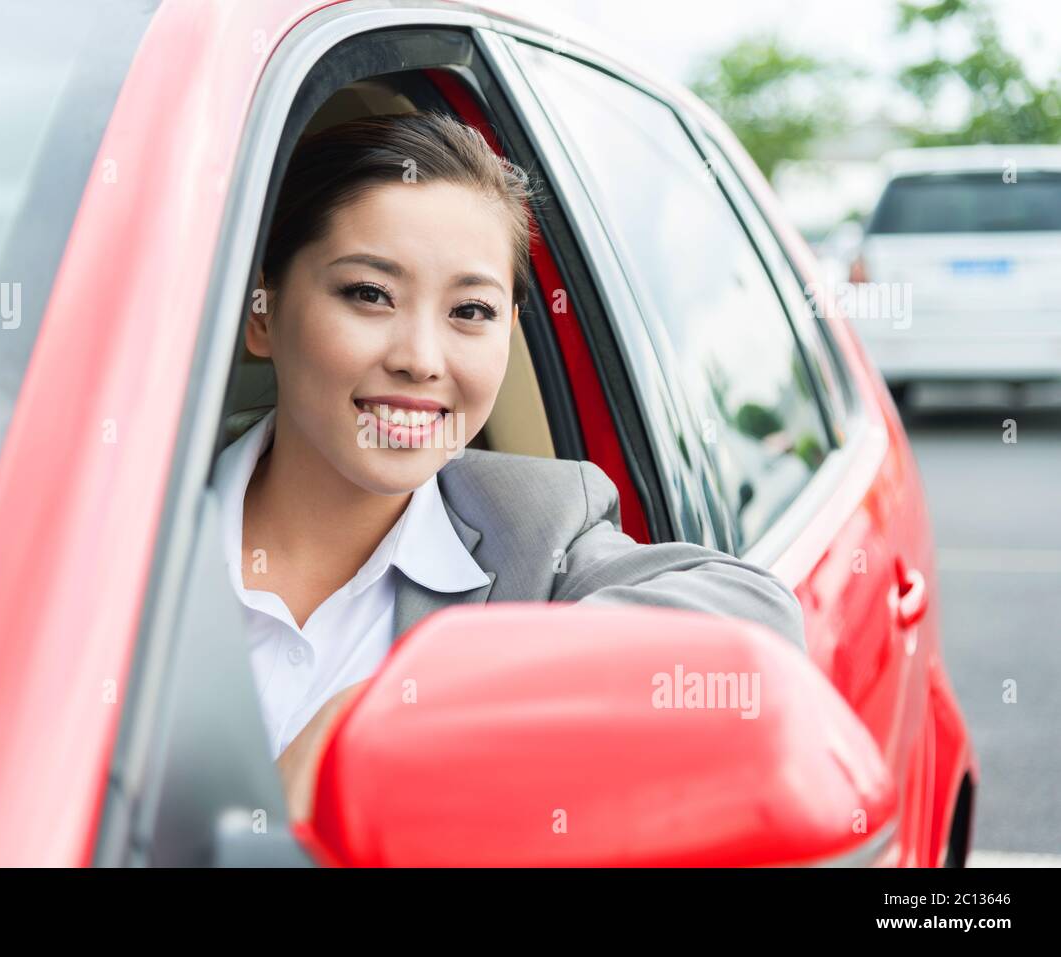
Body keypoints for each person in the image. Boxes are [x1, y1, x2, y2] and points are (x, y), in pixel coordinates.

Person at [209, 110, 806, 823]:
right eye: (369, 293)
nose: (421, 358)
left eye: (470, 310)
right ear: (260, 311)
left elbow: (760, 622)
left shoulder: (536, 530)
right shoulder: (113, 530)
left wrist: (394, 701)